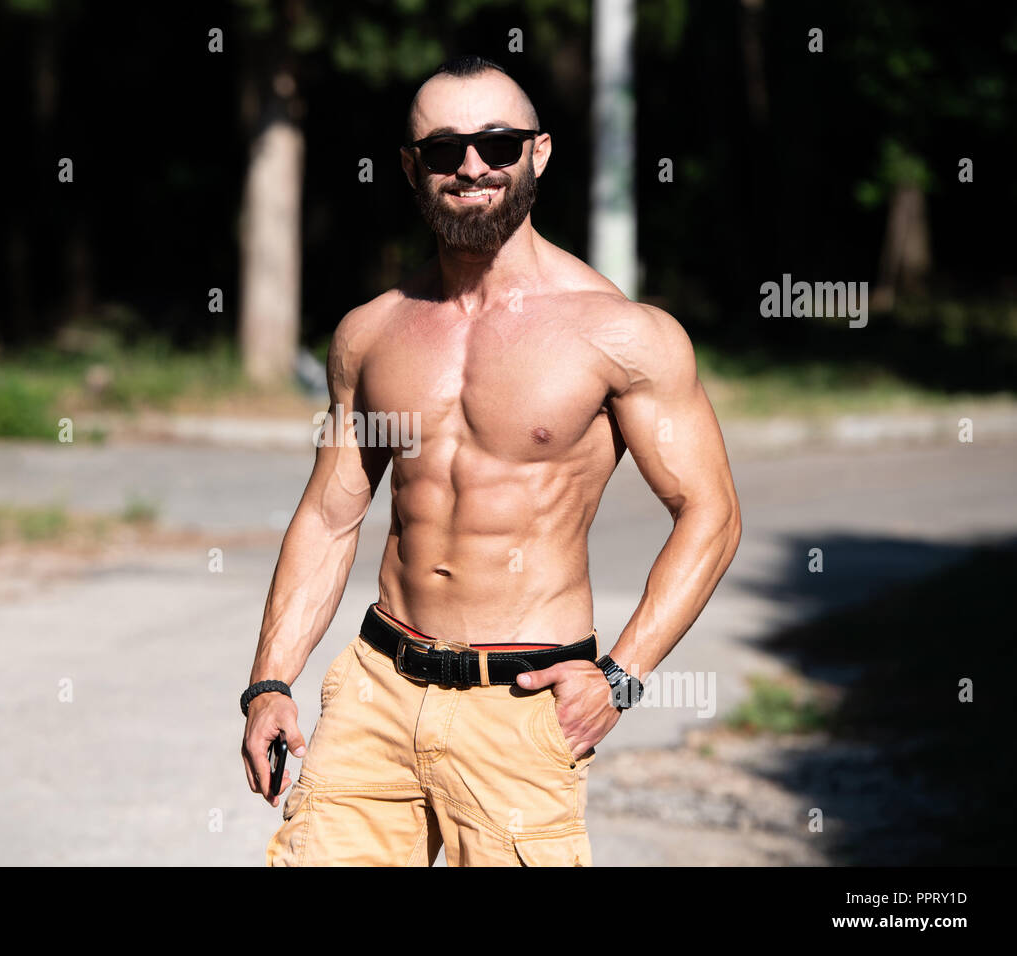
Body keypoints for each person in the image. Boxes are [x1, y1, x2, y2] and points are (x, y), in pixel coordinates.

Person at [240, 54, 742, 866]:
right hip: (376, 689)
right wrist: (269, 682)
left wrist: (620, 676)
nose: (472, 167)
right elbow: (332, 516)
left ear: (538, 153)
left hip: (521, 702)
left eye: (497, 144)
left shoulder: (620, 333)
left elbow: (710, 514)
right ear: (411, 168)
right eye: (443, 151)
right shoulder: (370, 333)